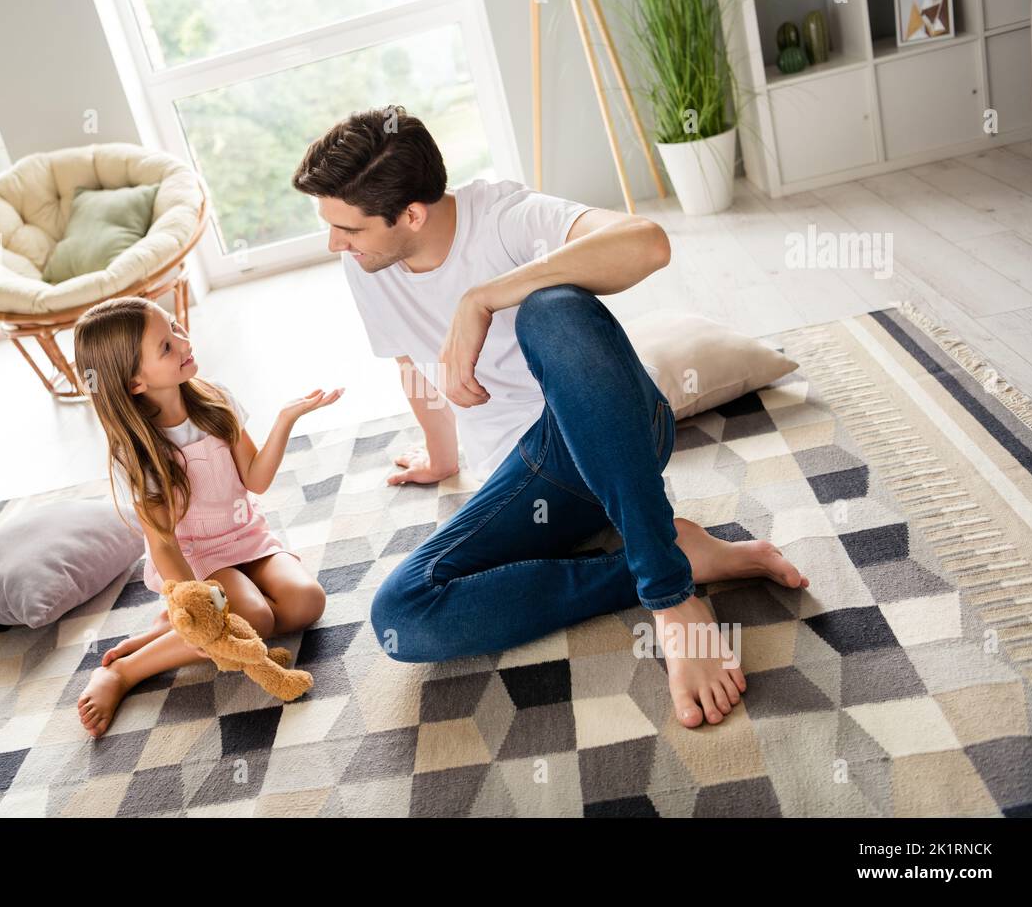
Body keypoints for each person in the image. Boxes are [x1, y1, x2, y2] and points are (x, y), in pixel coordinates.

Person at [292, 106, 810, 729]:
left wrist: (484, 296)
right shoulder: (367, 262)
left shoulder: (505, 218)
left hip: (620, 425)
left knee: (552, 308)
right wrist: (441, 455)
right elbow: (412, 361)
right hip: (536, 477)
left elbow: (648, 241)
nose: (334, 243)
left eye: (346, 228)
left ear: (411, 214)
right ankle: (675, 555)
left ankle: (669, 594)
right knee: (403, 615)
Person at [71, 296, 338, 737]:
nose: (183, 341)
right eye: (165, 347)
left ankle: (170, 632)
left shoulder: (215, 400)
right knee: (256, 618)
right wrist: (189, 598)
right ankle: (126, 671)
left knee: (307, 602)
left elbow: (255, 479)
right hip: (196, 559)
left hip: (245, 536)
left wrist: (286, 419)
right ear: (135, 383)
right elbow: (164, 544)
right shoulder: (136, 451)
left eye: (176, 328)